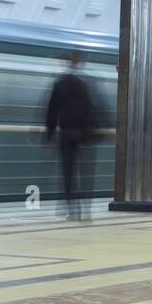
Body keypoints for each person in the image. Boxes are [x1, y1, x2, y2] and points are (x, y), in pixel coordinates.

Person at [44, 51, 96, 221]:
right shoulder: (84, 84)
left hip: (66, 134)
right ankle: (86, 209)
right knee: (85, 172)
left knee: (68, 173)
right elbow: (91, 110)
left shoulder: (59, 84)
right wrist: (90, 133)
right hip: (83, 134)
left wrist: (49, 136)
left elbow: (51, 112)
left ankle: (72, 210)